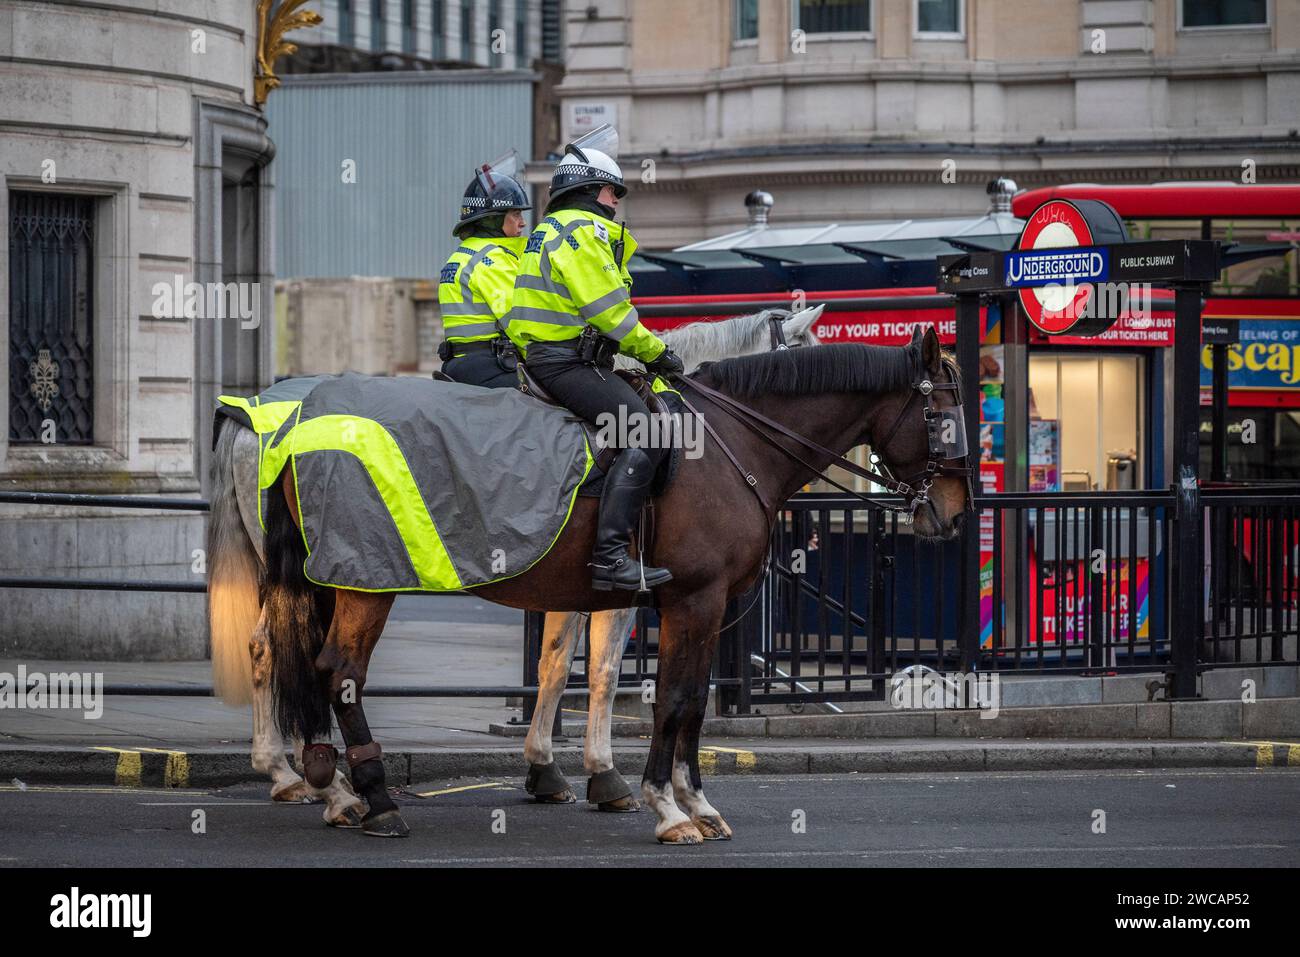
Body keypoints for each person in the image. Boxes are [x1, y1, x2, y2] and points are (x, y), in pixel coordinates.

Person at [508, 124, 684, 592]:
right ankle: (610, 558)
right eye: (612, 191)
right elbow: (610, 313)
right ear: (589, 190)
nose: (615, 202)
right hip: (568, 363)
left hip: (556, 359)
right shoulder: (583, 231)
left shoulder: (547, 230)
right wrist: (658, 353)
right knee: (643, 433)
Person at [437, 152, 532, 388]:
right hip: (492, 366)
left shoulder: (461, 256)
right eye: (515, 214)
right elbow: (521, 322)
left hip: (458, 363)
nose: (523, 222)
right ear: (493, 218)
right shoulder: (493, 259)